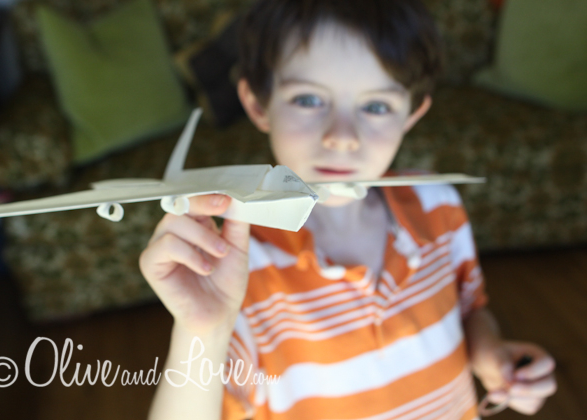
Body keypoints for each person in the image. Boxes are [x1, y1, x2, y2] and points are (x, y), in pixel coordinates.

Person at [139, 0, 557, 419]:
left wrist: (491, 355)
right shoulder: (234, 263)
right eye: (308, 99)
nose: (342, 137)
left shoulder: (438, 204)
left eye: (376, 106)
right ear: (258, 104)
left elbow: (470, 309)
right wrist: (202, 333)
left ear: (411, 114)